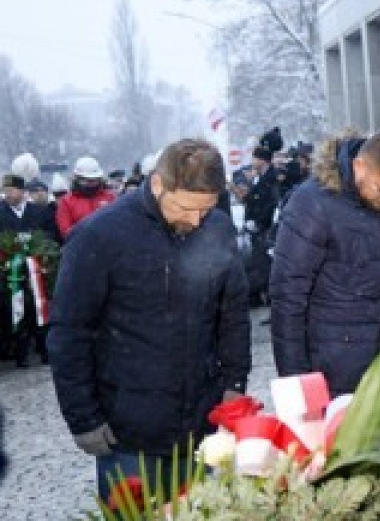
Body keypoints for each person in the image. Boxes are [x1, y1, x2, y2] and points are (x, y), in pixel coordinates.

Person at [48, 139, 250, 501]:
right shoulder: (99, 236)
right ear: (158, 184)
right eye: (186, 208)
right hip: (127, 432)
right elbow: (69, 333)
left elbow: (232, 314)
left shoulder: (217, 229)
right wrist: (83, 417)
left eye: (206, 210)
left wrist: (234, 381)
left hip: (199, 426)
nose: (195, 220)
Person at [270, 130, 380, 395]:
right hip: (328, 371)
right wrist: (296, 383)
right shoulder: (312, 204)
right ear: (359, 166)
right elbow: (288, 297)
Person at [1, 174, 59, 365]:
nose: (8, 195)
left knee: (40, 308)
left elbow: (53, 234)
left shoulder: (40, 211)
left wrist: (37, 243)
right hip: (11, 270)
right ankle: (21, 353)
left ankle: (45, 350)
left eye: (11, 191)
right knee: (17, 310)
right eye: (5, 191)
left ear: (22, 192)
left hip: (38, 268)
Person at [243, 128, 283, 307]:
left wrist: (259, 221)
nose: (252, 161)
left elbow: (271, 204)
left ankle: (272, 302)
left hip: (265, 228)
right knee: (260, 266)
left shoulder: (271, 178)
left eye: (254, 158)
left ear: (261, 160)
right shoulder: (261, 178)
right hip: (259, 229)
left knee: (266, 267)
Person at [55, 156, 117, 240]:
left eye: (94, 180)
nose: (90, 184)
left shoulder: (110, 198)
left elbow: (116, 223)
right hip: (79, 247)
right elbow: (66, 230)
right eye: (87, 180)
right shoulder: (66, 201)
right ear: (77, 179)